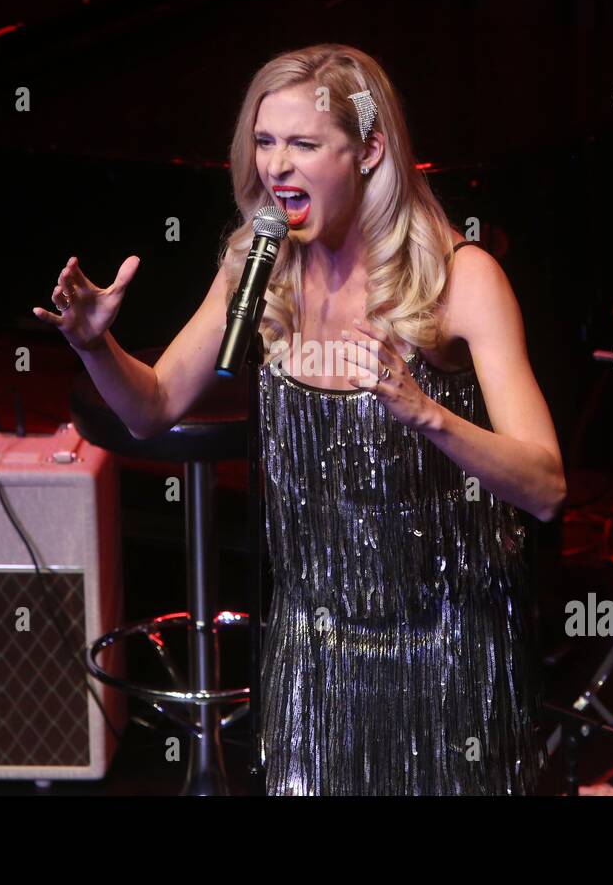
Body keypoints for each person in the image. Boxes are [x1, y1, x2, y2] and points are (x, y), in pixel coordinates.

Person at [35, 44, 565, 795]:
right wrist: (95, 346)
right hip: (312, 653)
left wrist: (427, 414)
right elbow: (151, 408)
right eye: (265, 142)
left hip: (445, 655)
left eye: (305, 145)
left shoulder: (461, 280)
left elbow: (545, 486)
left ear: (370, 150)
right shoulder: (260, 262)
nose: (277, 166)